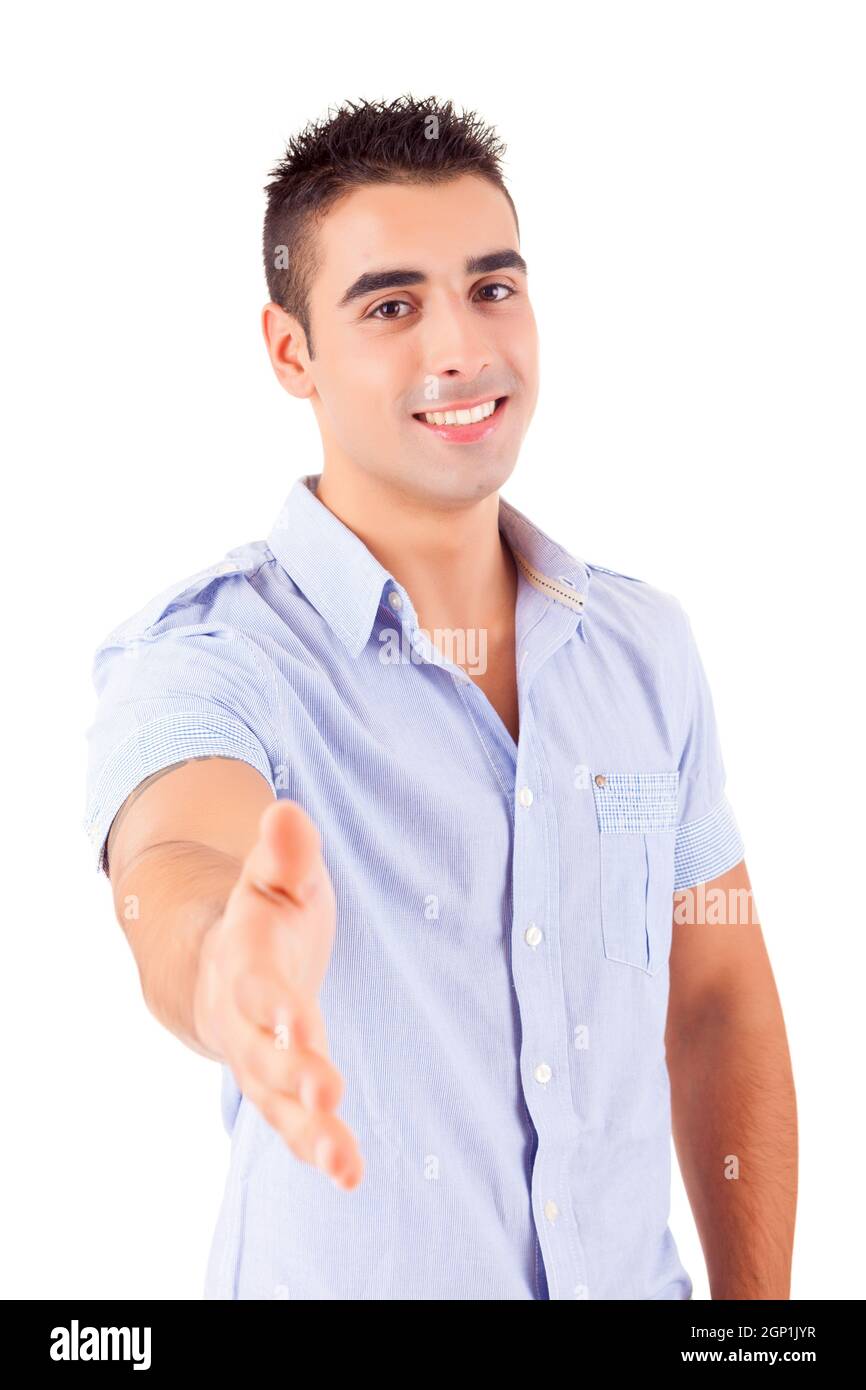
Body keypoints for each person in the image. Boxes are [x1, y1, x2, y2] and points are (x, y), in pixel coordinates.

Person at [84, 94, 797, 1300]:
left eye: (492, 287)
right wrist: (226, 963)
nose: (460, 346)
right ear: (290, 351)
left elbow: (716, 996)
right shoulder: (213, 653)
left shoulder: (640, 648)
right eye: (391, 305)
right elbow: (177, 852)